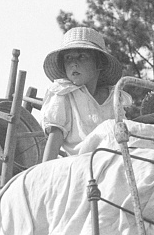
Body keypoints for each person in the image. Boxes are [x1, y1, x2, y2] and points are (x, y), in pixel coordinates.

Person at [40, 27, 133, 161]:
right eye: (68, 58)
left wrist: (142, 123)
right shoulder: (63, 94)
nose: (73, 63)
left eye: (82, 56)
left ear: (99, 63)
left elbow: (123, 132)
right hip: (83, 164)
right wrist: (45, 175)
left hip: (114, 158)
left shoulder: (113, 97)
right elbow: (54, 141)